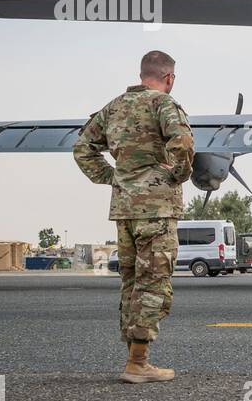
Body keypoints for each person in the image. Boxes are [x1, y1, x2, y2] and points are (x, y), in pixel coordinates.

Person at [73, 50, 194, 382]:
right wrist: (179, 174)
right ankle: (138, 363)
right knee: (154, 281)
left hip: (125, 210)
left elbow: (82, 147)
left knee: (131, 283)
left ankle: (135, 358)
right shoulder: (163, 104)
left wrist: (112, 177)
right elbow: (182, 141)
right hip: (157, 208)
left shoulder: (112, 107)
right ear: (169, 77)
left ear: (142, 74)